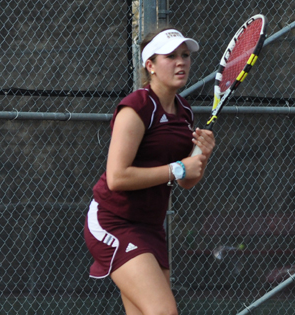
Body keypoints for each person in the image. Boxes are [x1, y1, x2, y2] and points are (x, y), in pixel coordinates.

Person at [84, 28, 215, 315]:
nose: (181, 62)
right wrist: (178, 167)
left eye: (185, 55)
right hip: (113, 221)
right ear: (150, 66)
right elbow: (117, 177)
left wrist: (201, 156)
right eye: (170, 56)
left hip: (151, 227)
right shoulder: (136, 107)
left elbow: (186, 182)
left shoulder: (184, 112)